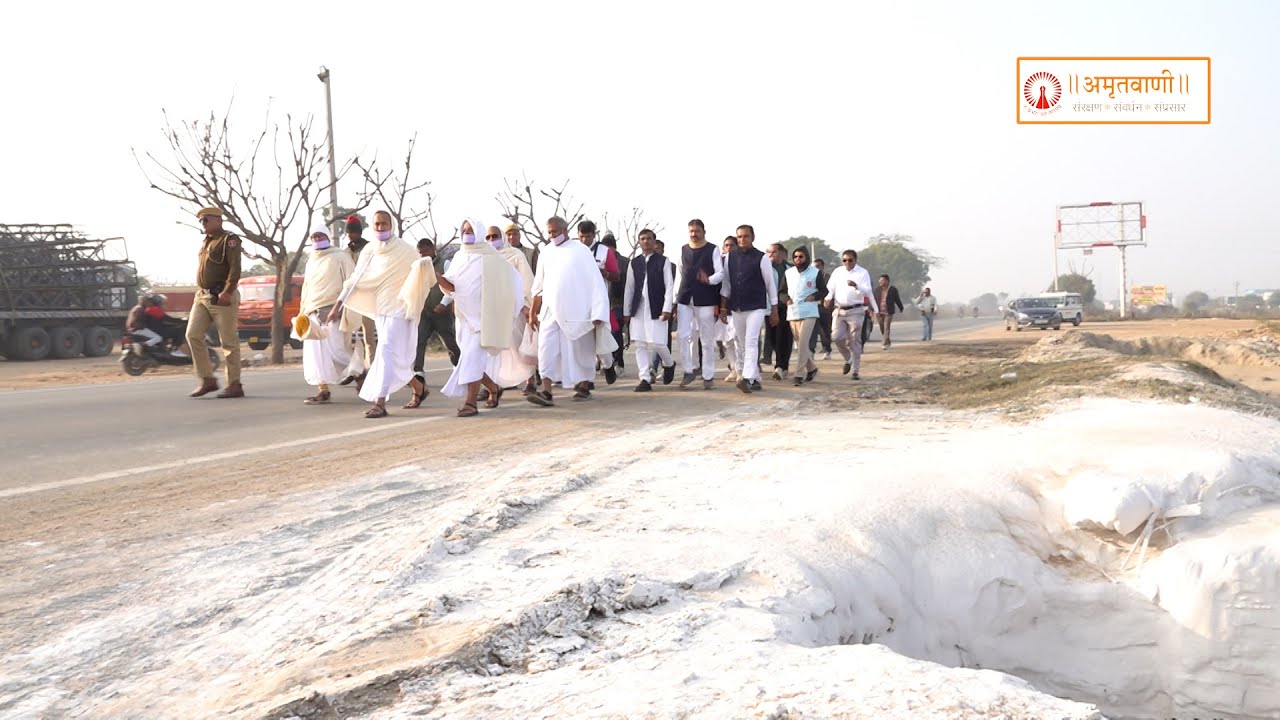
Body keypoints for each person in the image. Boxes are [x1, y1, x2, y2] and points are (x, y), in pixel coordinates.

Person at [327, 210, 436, 418]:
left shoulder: (405, 249)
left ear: (391, 225)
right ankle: (418, 387)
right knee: (393, 357)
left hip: (400, 309)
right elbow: (355, 280)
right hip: (381, 309)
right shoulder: (369, 250)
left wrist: (424, 264)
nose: (380, 227)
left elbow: (422, 274)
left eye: (384, 223)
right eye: (377, 224)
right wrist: (337, 306)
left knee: (385, 352)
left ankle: (380, 402)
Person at [436, 218, 528, 417]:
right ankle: (493, 387)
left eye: (470, 230)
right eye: (464, 230)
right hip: (463, 318)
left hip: (485, 319)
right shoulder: (459, 257)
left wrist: (511, 309)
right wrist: (436, 276)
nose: (467, 234)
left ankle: (470, 403)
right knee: (468, 358)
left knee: (472, 358)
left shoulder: (493, 258)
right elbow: (452, 287)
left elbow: (512, 283)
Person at [527, 216, 610, 406]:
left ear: (565, 230)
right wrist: (532, 312)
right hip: (549, 312)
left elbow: (595, 282)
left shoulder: (580, 251)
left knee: (580, 351)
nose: (552, 235)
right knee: (546, 350)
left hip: (577, 311)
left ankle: (584, 385)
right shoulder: (546, 252)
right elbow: (538, 286)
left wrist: (598, 311)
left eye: (555, 232)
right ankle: (546, 391)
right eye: (549, 232)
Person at [186, 207, 244, 398]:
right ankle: (207, 379)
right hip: (202, 296)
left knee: (228, 342)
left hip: (222, 296)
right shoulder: (206, 241)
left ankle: (234, 384)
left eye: (206, 220)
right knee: (193, 335)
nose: (202, 224)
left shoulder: (229, 239)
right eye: (201, 221)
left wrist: (228, 291)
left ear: (218, 220)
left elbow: (235, 268)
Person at [298, 227, 356, 404]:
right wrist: (302, 311)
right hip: (311, 312)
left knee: (337, 351)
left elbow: (352, 283)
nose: (317, 239)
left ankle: (361, 374)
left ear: (328, 237)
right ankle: (323, 390)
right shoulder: (311, 260)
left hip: (333, 311)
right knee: (316, 355)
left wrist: (340, 308)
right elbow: (307, 287)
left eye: (320, 235)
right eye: (314, 236)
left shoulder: (340, 256)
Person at [719, 224, 778, 394]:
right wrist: (723, 307)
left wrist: (774, 309)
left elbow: (770, 284)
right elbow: (726, 284)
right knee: (742, 344)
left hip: (756, 306)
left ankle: (747, 378)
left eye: (746, 236)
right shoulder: (730, 257)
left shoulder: (762, 258)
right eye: (739, 237)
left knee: (751, 341)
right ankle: (755, 379)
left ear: (752, 238)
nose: (742, 240)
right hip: (737, 307)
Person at [408, 238, 460, 408]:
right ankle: (419, 374)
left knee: (450, 343)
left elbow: (451, 285)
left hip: (441, 312)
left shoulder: (445, 263)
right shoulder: (418, 267)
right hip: (424, 312)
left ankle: (460, 370)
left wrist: (443, 304)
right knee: (419, 341)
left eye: (425, 251)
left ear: (432, 249)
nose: (423, 255)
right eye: (420, 252)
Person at [624, 229, 677, 392]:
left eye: (648, 238)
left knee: (658, 343)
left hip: (657, 307)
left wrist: (667, 308)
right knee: (640, 344)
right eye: (642, 239)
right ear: (639, 242)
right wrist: (627, 311)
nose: (645, 241)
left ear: (654, 242)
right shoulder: (634, 263)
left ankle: (669, 364)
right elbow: (629, 287)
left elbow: (669, 286)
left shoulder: (663, 261)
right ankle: (644, 378)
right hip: (638, 308)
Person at [673, 218, 723, 390]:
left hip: (705, 298)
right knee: (682, 335)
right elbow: (679, 275)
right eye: (691, 231)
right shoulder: (683, 249)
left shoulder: (712, 249)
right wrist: (675, 299)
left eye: (697, 231)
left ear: (703, 232)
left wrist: (708, 280)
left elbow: (720, 273)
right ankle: (688, 371)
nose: (694, 234)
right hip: (685, 298)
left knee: (706, 339)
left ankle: (708, 375)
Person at [489, 225, 538, 395]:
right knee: (497, 350)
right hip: (495, 310)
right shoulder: (484, 258)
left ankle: (530, 380)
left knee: (519, 346)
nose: (491, 240)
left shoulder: (516, 255)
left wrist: (527, 305)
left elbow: (526, 280)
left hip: (516, 309)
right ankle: (497, 383)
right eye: (488, 237)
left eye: (495, 236)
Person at [577, 220, 620, 384]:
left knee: (601, 337)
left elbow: (616, 276)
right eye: (581, 237)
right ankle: (585, 380)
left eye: (588, 236)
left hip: (598, 301)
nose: (584, 240)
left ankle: (608, 365)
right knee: (581, 341)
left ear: (594, 235)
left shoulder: (604, 251)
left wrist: (605, 273)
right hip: (577, 302)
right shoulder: (573, 251)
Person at [825, 250, 879, 380]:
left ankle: (855, 370)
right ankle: (848, 358)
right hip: (839, 310)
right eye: (844, 260)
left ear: (855, 260)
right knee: (836, 337)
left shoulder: (862, 273)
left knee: (854, 340)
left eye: (850, 260)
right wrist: (828, 298)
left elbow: (867, 290)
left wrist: (856, 285)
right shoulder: (837, 272)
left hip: (856, 311)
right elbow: (830, 288)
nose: (847, 262)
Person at [343, 214, 378, 384]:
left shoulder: (370, 249)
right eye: (349, 232)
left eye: (353, 232)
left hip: (366, 299)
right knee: (348, 338)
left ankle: (372, 371)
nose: (351, 235)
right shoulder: (345, 253)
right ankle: (354, 370)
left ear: (359, 232)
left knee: (368, 338)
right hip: (349, 300)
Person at [784, 246, 826, 386]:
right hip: (793, 312)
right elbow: (782, 291)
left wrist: (814, 296)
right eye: (795, 257)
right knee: (800, 345)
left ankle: (798, 374)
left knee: (802, 343)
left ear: (806, 257)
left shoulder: (815, 273)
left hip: (809, 311)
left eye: (801, 256)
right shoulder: (788, 273)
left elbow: (824, 291)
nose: (798, 259)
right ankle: (812, 368)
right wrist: (786, 299)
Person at [765, 242, 792, 381]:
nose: (770, 255)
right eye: (768, 252)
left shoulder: (791, 269)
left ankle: (780, 366)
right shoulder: (765, 268)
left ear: (781, 253)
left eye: (773, 252)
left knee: (784, 337)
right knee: (772, 338)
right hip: (769, 307)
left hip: (786, 307)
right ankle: (782, 365)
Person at [716, 236, 740, 382]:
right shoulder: (718, 262)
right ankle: (734, 368)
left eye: (732, 245)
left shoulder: (740, 262)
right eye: (726, 245)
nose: (729, 248)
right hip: (722, 306)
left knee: (737, 339)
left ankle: (742, 370)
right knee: (727, 341)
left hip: (738, 306)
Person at [809, 257, 833, 360]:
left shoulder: (828, 278)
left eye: (818, 266)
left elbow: (830, 291)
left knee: (825, 330)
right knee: (812, 330)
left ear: (822, 266)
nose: (816, 268)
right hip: (813, 306)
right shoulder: (810, 277)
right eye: (814, 266)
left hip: (824, 307)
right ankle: (811, 351)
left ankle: (827, 350)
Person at [875, 274, 905, 349]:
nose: (880, 281)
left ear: (887, 281)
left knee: (886, 328)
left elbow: (897, 299)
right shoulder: (877, 290)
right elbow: (873, 300)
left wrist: (901, 307)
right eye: (880, 280)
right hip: (879, 312)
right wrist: (871, 309)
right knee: (882, 327)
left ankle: (884, 343)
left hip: (888, 312)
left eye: (882, 280)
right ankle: (888, 341)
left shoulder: (893, 290)